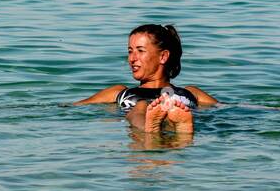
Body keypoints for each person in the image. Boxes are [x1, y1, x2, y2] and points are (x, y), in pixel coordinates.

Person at [75, 24, 218, 133]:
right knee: (169, 111)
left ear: (163, 57)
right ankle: (180, 128)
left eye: (140, 51)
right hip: (178, 103)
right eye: (130, 51)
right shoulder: (191, 93)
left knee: (140, 107)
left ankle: (149, 127)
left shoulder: (120, 92)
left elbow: (77, 107)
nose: (132, 58)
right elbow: (225, 108)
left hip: (142, 118)